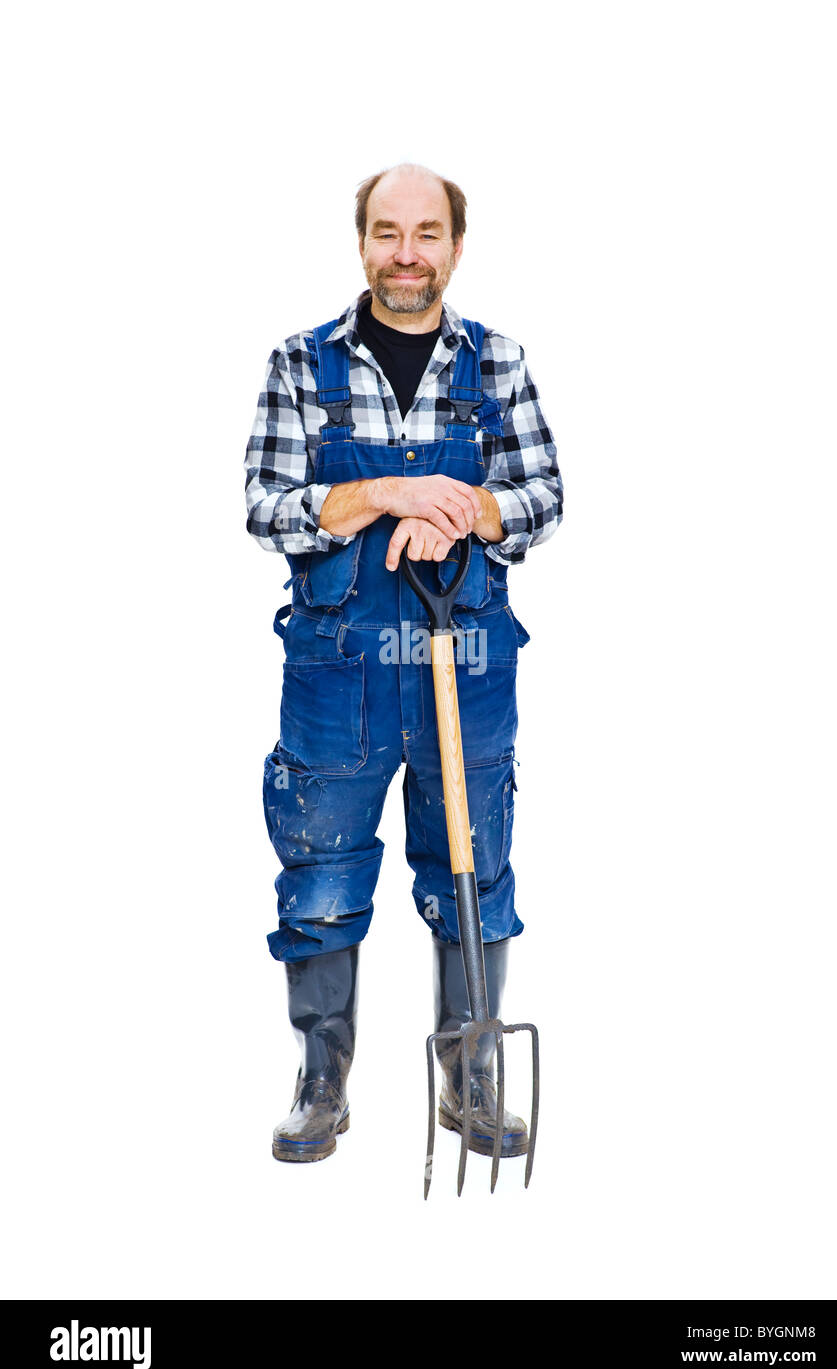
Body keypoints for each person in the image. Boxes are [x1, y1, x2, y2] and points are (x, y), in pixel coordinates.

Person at [244, 163, 563, 1164]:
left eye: (427, 233)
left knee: (473, 868)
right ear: (361, 242)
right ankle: (321, 1078)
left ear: (455, 247)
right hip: (337, 673)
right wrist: (383, 492)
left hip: (464, 663)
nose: (407, 253)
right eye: (388, 232)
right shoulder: (301, 364)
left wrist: (462, 507)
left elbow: (545, 493)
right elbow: (266, 507)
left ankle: (469, 1075)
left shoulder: (498, 363)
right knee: (321, 871)